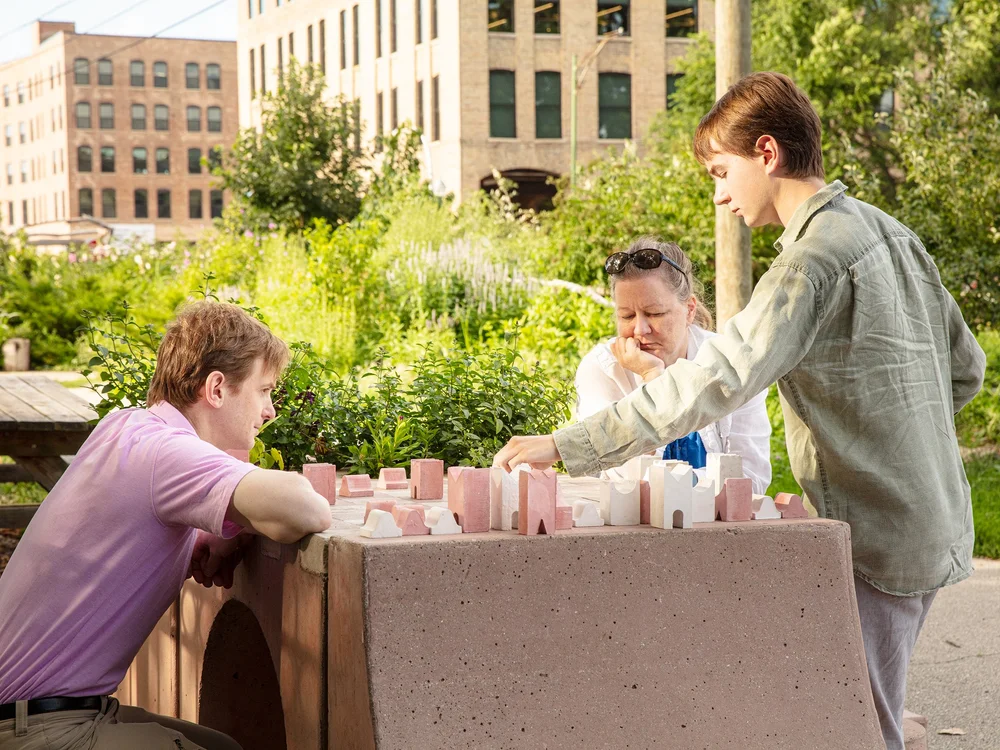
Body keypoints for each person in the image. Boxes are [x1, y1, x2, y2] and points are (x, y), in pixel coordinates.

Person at [493, 72, 986, 750]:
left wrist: (568, 444)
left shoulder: (809, 264)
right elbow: (967, 369)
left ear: (766, 153)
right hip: (932, 517)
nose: (720, 194)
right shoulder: (888, 230)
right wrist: (906, 437)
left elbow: (716, 377)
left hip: (878, 534)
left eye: (722, 172)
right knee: (858, 713)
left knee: (860, 731)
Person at [0, 301, 333, 750]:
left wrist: (219, 531)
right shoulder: (166, 453)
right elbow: (305, 511)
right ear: (217, 388)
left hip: (41, 711)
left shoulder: (126, 428)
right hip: (44, 728)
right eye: (263, 390)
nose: (270, 410)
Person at [576, 236, 770, 493]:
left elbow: (749, 481)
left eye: (654, 314)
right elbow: (626, 482)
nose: (640, 329)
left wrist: (654, 378)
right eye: (627, 316)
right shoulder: (602, 370)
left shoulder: (732, 363)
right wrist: (651, 378)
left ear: (689, 309)